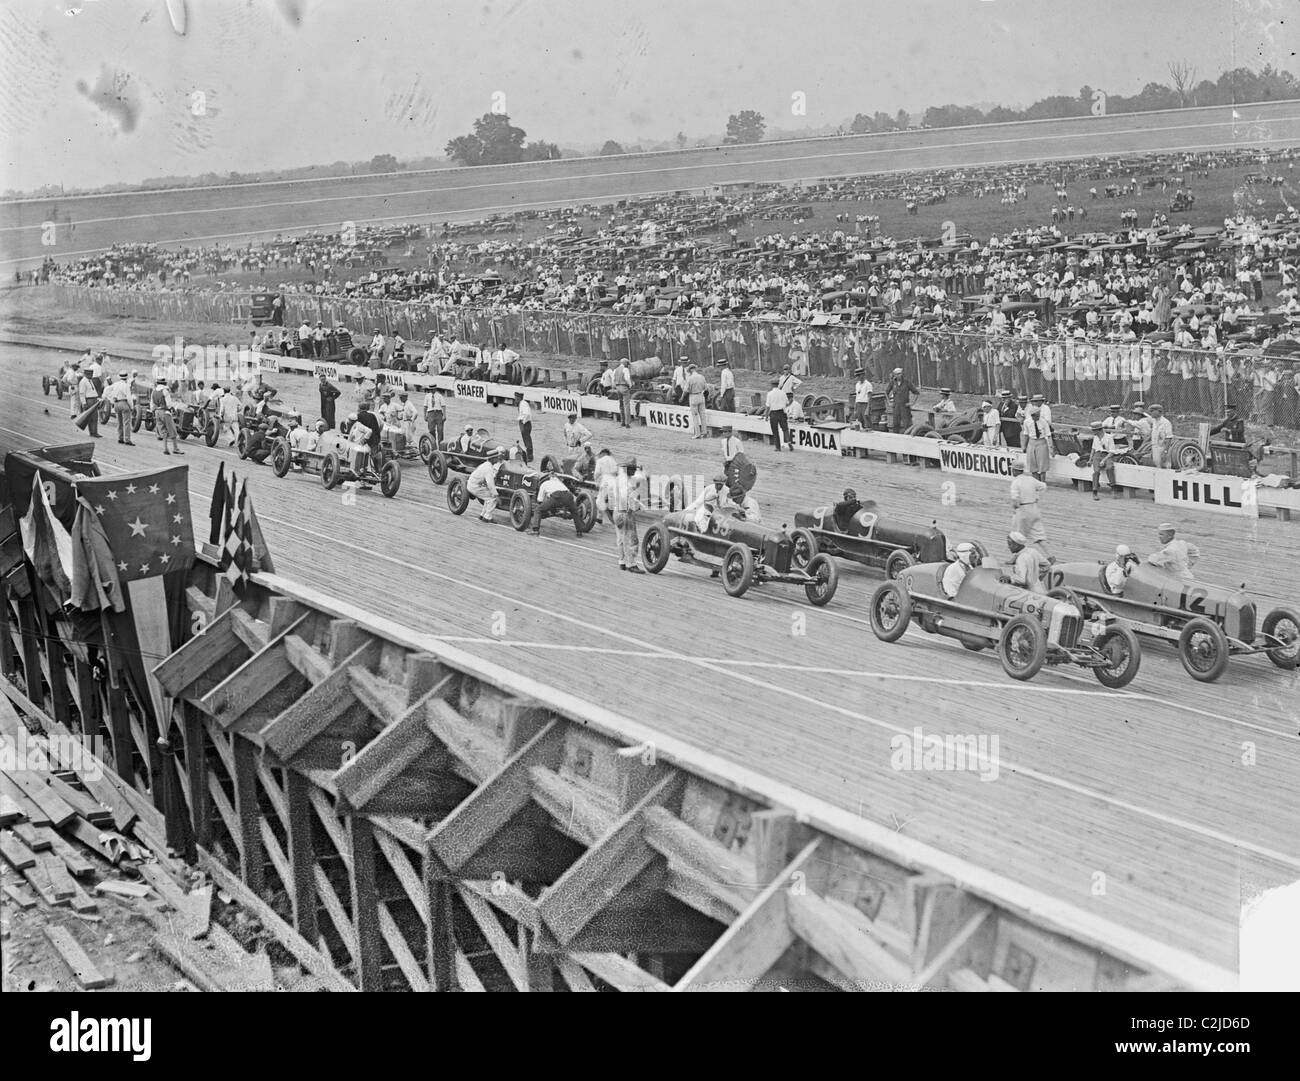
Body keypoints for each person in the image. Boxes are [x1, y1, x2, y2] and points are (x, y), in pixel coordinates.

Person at [598, 456, 644, 571]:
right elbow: (625, 496)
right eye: (632, 468)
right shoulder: (626, 482)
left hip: (616, 511)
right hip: (625, 512)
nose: (634, 471)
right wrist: (630, 506)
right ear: (627, 468)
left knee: (620, 537)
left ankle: (622, 561)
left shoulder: (618, 479)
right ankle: (631, 564)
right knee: (631, 538)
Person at [1009, 461, 1049, 553]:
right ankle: (1049, 555)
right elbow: (1043, 486)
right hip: (1034, 508)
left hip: (1023, 510)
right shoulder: (1031, 479)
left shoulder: (1016, 482)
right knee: (1039, 535)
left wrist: (1015, 510)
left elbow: (1015, 500)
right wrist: (1036, 495)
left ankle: (1016, 557)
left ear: (1015, 470)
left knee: (1017, 535)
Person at [530, 472, 580, 536]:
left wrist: (544, 507)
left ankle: (535, 530)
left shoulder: (544, 483)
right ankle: (579, 532)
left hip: (557, 497)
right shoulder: (560, 483)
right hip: (568, 496)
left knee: (538, 510)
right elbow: (569, 494)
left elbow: (540, 500)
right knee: (575, 512)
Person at [466, 449, 505, 522]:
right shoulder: (488, 468)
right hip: (475, 486)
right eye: (497, 457)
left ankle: (482, 514)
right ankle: (487, 517)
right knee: (492, 498)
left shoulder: (486, 464)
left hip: (473, 483)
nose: (498, 459)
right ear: (492, 458)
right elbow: (490, 485)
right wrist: (496, 495)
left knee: (487, 496)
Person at [1089, 420, 1122, 500]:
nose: (1093, 432)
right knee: (1096, 471)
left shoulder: (1109, 437)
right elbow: (1093, 449)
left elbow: (1112, 452)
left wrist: (1103, 460)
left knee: (1109, 468)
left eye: (1094, 430)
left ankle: (1113, 489)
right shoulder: (1095, 437)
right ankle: (1095, 492)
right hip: (1097, 455)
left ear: (1099, 430)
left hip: (1107, 455)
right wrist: (1090, 459)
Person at [151, 378, 183, 456]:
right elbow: (169, 404)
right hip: (165, 412)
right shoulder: (165, 391)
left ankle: (165, 448)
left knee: (163, 431)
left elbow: (152, 404)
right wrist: (173, 409)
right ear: (164, 383)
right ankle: (175, 448)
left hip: (157, 412)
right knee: (172, 430)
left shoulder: (154, 391)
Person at [1020, 405, 1051, 482]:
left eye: (1039, 415)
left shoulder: (1043, 422)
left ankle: (1043, 482)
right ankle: (1036, 482)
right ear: (1032, 416)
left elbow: (1048, 435)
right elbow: (1026, 434)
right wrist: (1024, 446)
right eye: (1036, 416)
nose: (1038, 417)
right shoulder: (1027, 422)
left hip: (1041, 442)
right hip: (1031, 442)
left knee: (1042, 464)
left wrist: (1051, 447)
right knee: (1032, 464)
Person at [105, 371, 135, 445]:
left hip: (116, 403)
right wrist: (131, 407)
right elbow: (129, 398)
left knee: (119, 422)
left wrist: (111, 399)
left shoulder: (116, 384)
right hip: (123, 403)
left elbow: (106, 390)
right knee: (127, 422)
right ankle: (127, 439)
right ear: (126, 378)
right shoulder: (126, 385)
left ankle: (120, 438)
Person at [887, 368, 918, 433]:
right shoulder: (892, 382)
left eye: (900, 373)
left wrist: (911, 403)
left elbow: (916, 393)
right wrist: (889, 402)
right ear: (894, 375)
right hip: (896, 407)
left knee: (907, 425)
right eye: (897, 374)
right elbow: (886, 392)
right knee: (895, 425)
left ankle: (908, 439)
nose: (899, 375)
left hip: (905, 407)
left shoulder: (907, 382)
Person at [765, 378, 790, 451]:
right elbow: (787, 403)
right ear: (778, 384)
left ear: (772, 385)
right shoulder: (783, 392)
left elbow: (768, 406)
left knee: (775, 431)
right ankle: (789, 441)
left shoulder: (769, 394)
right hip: (782, 412)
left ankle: (777, 447)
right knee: (785, 429)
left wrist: (766, 416)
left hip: (773, 413)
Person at [685, 364, 709, 438]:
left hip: (693, 396)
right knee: (702, 415)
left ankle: (697, 434)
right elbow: (706, 388)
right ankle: (704, 432)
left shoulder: (690, 378)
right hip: (701, 395)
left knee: (695, 416)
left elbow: (686, 390)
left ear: (690, 370)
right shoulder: (701, 377)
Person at [76, 366, 101, 436]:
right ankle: (92, 432)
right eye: (90, 374)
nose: (92, 375)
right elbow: (82, 393)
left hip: (94, 399)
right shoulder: (83, 382)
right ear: (86, 374)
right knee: (91, 417)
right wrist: (84, 403)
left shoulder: (90, 380)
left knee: (95, 417)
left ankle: (94, 432)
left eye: (92, 374)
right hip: (89, 400)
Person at [1149, 404, 1174, 469]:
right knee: (1157, 467)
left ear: (1159, 411)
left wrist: (1165, 451)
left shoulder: (1166, 423)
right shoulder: (1154, 422)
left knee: (1166, 467)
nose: (1151, 413)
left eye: (1152, 411)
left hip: (1162, 448)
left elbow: (1169, 438)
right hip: (1155, 448)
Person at [614, 358, 633, 427]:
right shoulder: (625, 369)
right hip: (624, 387)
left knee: (621, 405)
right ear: (625, 363)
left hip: (617, 387)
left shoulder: (616, 370)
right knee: (626, 405)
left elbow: (614, 379)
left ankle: (622, 422)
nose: (627, 365)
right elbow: (627, 378)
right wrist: (630, 385)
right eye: (627, 364)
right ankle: (627, 423)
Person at [515, 393, 533, 463]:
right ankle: (529, 455)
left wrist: (524, 421)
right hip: (524, 423)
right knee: (526, 440)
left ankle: (530, 456)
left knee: (527, 440)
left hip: (525, 423)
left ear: (519, 398)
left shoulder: (523, 404)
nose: (515, 399)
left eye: (516, 398)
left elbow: (527, 414)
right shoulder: (521, 403)